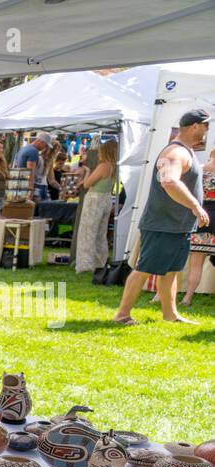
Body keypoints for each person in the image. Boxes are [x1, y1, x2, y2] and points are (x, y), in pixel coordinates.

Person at [112, 108, 211, 326]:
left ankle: (170, 314)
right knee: (144, 269)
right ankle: (122, 315)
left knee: (171, 271)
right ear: (195, 126)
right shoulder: (175, 153)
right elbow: (169, 181)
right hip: (163, 224)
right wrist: (195, 205)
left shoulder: (186, 151)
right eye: (206, 125)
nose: (207, 130)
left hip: (177, 225)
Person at [74, 138, 118, 273]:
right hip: (106, 199)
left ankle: (85, 265)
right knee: (100, 233)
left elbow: (88, 184)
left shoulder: (103, 165)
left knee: (87, 232)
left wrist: (87, 172)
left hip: (94, 199)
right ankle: (100, 262)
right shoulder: (115, 167)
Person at [180, 149, 215, 307]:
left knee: (195, 262)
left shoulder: (199, 170)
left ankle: (187, 297)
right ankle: (186, 297)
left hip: (200, 216)